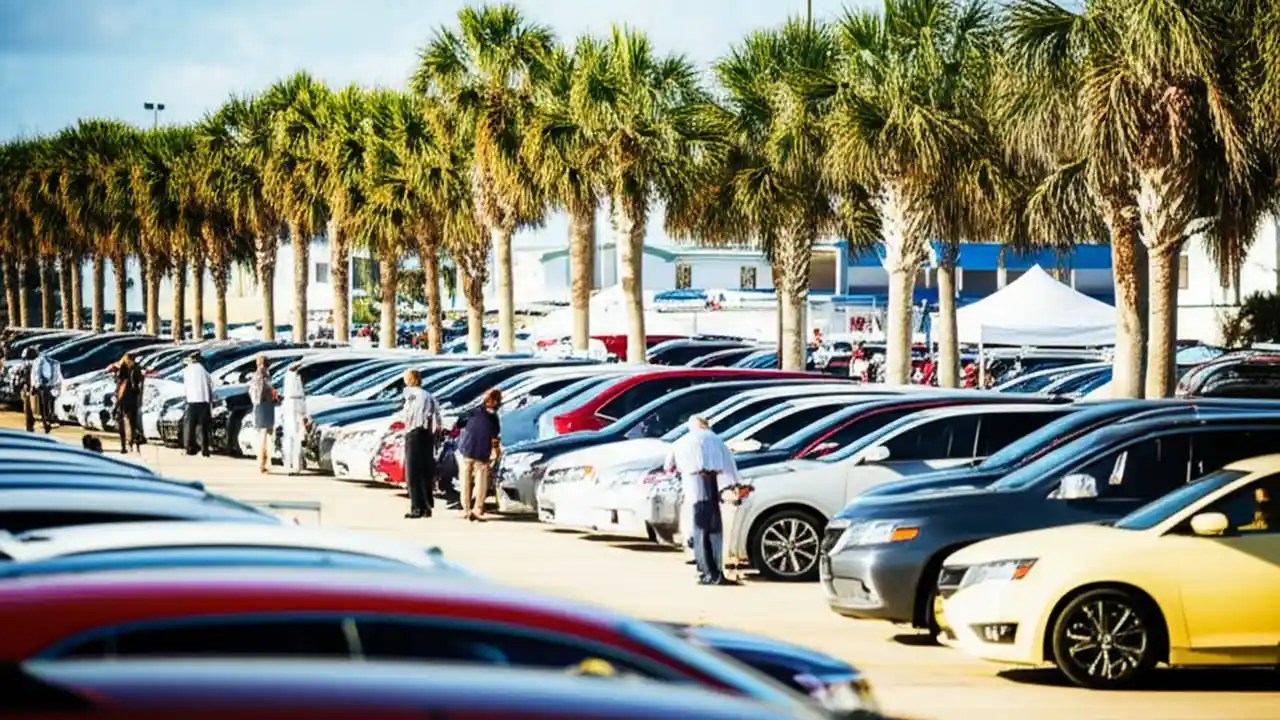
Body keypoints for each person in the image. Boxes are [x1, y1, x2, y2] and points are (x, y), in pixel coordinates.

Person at [665, 416, 741, 586]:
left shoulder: (681, 442)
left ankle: (707, 572)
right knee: (714, 531)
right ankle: (717, 570)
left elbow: (668, 467)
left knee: (699, 531)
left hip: (693, 489)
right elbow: (730, 466)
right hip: (712, 487)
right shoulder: (717, 440)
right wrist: (735, 484)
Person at [399, 368, 442, 519]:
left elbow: (408, 415)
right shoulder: (428, 395)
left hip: (414, 434)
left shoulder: (411, 395)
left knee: (413, 473)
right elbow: (437, 416)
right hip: (427, 435)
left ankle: (417, 507)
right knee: (425, 472)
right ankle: (426, 506)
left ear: (410, 380)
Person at [456, 388, 502, 521]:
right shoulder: (493, 418)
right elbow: (495, 436)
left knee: (465, 479)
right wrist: (496, 451)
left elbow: (460, 423)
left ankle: (465, 508)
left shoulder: (474, 411)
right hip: (482, 451)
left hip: (467, 448)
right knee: (481, 480)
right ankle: (478, 508)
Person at [248, 355, 276, 474]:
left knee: (266, 435)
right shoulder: (261, 377)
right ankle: (262, 462)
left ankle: (264, 461)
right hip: (263, 406)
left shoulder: (262, 376)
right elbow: (258, 394)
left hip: (265, 406)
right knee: (263, 436)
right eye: (262, 365)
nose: (263, 367)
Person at [182, 353, 215, 456]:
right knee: (204, 427)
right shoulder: (203, 370)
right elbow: (211, 384)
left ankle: (190, 448)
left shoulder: (187, 370)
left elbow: (185, 386)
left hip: (191, 401)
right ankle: (205, 449)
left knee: (190, 426)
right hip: (203, 401)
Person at [114, 353, 145, 453]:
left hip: (125, 397)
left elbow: (118, 381)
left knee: (126, 422)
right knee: (130, 422)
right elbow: (139, 380)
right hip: (128, 397)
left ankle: (127, 443)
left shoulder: (124, 368)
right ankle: (129, 443)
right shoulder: (132, 368)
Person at [26, 346, 61, 434]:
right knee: (44, 406)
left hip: (42, 387)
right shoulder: (44, 360)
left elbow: (37, 374)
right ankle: (46, 423)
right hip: (45, 386)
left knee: (43, 407)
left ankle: (46, 423)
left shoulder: (40, 361)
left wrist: (37, 385)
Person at [281, 363, 307, 475]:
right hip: (294, 411)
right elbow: (300, 400)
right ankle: (295, 465)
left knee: (291, 439)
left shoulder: (288, 379)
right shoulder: (293, 379)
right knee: (295, 439)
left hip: (291, 411)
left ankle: (291, 464)